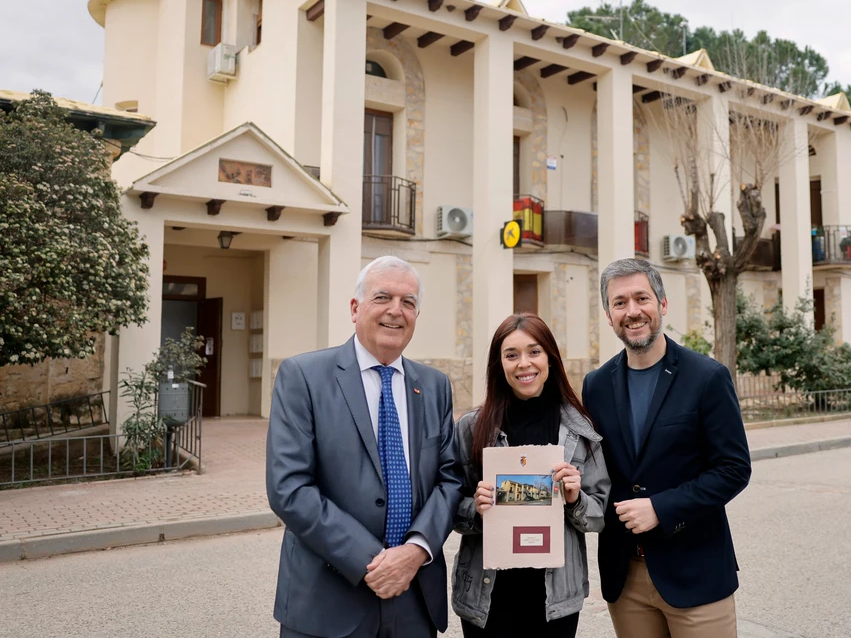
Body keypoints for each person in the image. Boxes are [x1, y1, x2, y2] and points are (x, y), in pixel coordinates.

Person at [266, 256, 463, 638]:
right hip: (328, 603)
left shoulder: (434, 385)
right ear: (355, 308)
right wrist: (373, 561)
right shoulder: (303, 377)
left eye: (408, 302)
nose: (396, 310)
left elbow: (449, 479)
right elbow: (289, 488)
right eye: (383, 297)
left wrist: (415, 552)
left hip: (414, 601)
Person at [582, 259, 752, 638]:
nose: (632, 311)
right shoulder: (596, 385)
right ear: (609, 315)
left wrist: (661, 508)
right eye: (620, 302)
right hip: (624, 577)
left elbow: (734, 469)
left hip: (696, 573)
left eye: (641, 298)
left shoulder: (707, 377)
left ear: (662, 303)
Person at [452, 313, 610, 637]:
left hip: (554, 599)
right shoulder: (471, 428)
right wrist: (476, 509)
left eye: (534, 351)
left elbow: (598, 514)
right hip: (488, 595)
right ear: (499, 364)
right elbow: (449, 506)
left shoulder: (578, 430)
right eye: (511, 355)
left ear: (550, 358)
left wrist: (574, 499)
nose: (524, 363)